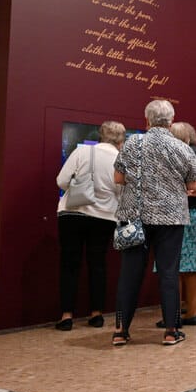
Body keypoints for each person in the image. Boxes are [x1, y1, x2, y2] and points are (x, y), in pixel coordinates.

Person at [112, 100, 196, 346]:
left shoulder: (132, 143)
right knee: (169, 272)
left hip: (135, 217)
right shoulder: (181, 147)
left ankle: (120, 331)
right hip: (171, 218)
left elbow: (118, 178)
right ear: (171, 121)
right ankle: (172, 330)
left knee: (129, 274)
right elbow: (193, 185)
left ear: (147, 120)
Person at [54, 120, 125, 330]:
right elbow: (122, 192)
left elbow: (62, 181)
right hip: (104, 217)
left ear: (100, 135)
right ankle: (97, 314)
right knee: (98, 265)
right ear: (121, 140)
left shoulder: (83, 152)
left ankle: (66, 315)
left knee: (69, 264)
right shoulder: (120, 160)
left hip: (72, 213)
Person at [155, 122, 196, 327]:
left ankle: (190, 311)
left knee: (189, 264)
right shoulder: (194, 153)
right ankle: (185, 309)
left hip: (190, 213)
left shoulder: (192, 154)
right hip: (188, 213)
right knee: (185, 264)